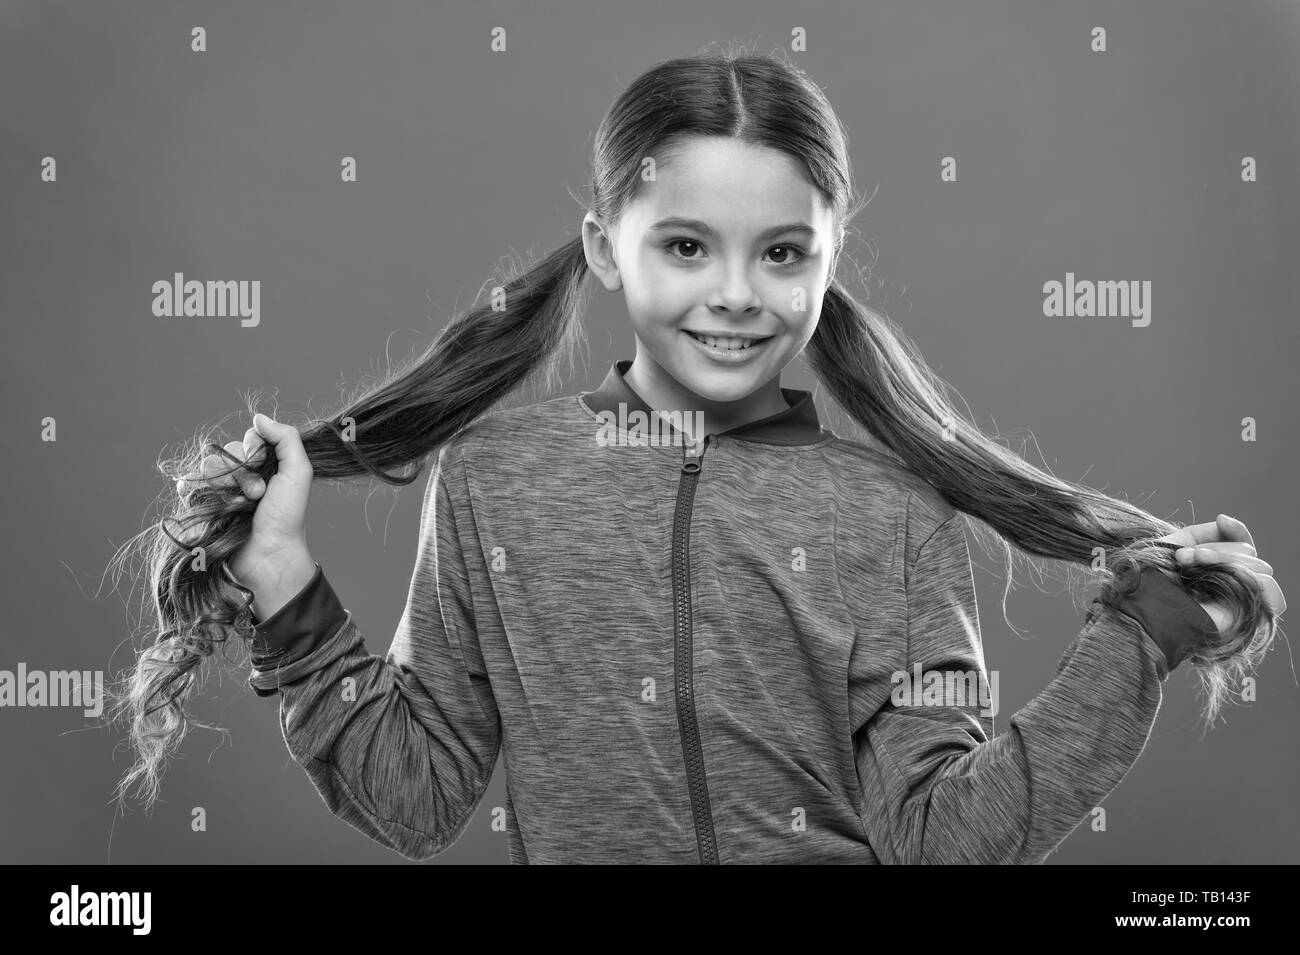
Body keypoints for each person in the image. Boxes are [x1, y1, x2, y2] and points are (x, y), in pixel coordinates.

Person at [114, 47, 1285, 864]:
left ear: (829, 259)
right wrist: (285, 591)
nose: (735, 294)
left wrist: (1137, 638)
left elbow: (943, 838)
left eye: (782, 252)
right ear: (606, 249)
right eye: (686, 244)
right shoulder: (495, 482)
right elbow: (416, 798)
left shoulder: (894, 519)